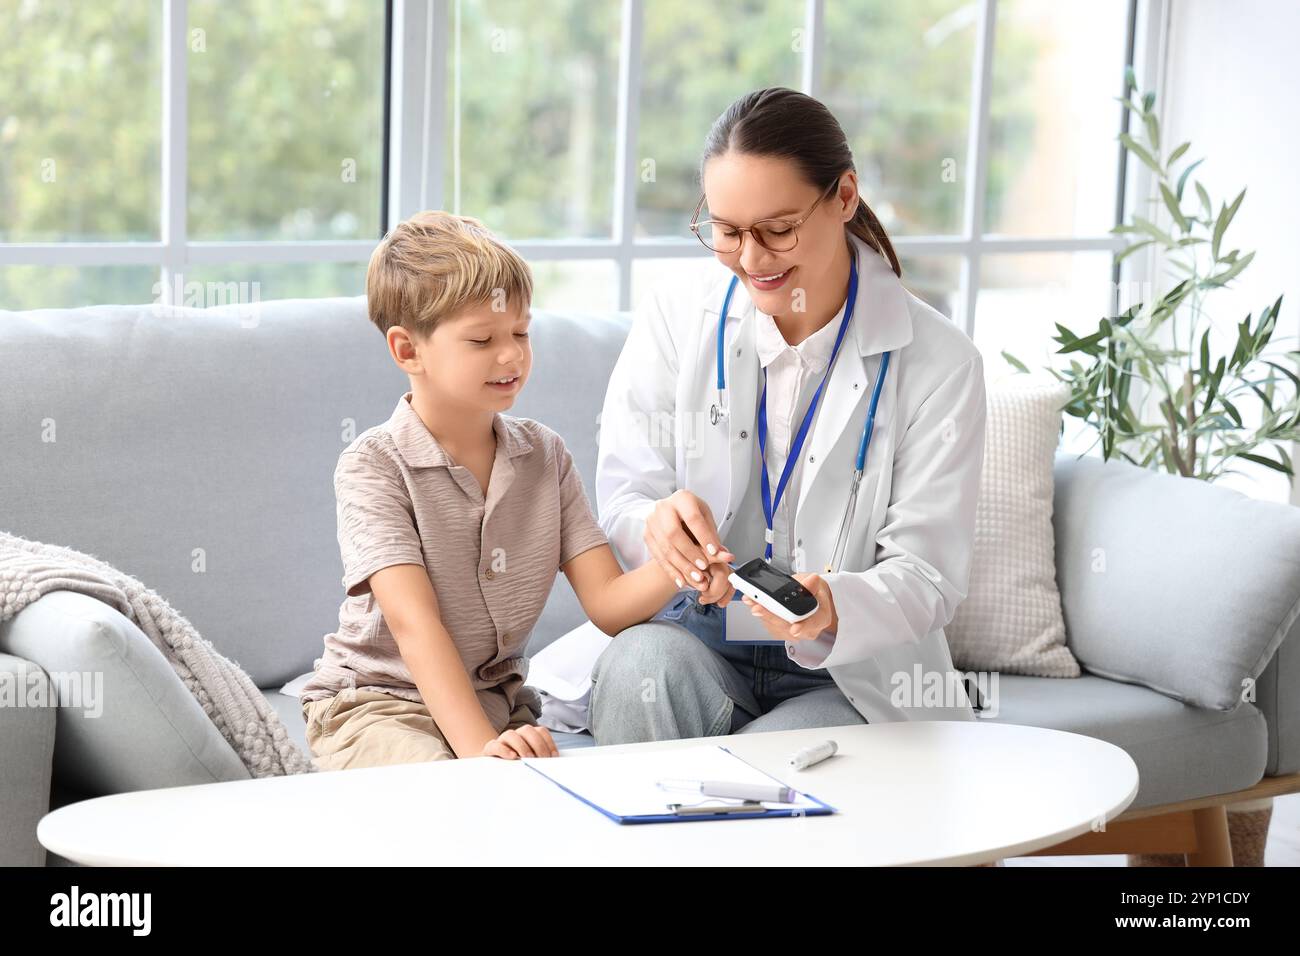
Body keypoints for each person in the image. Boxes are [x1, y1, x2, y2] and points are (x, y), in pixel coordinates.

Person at [590, 87, 987, 743]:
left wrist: (833, 606)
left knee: (786, 762)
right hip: (697, 632)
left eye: (778, 229)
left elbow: (927, 575)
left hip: (850, 667)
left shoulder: (941, 363)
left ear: (845, 197)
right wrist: (661, 529)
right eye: (725, 230)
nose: (750, 259)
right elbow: (626, 496)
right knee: (641, 667)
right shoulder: (675, 314)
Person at [299, 211, 691, 769]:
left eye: (521, 332)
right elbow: (416, 626)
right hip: (377, 706)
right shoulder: (373, 466)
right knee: (451, 797)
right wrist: (481, 753)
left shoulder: (545, 456)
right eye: (482, 339)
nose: (511, 355)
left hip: (498, 709)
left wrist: (684, 562)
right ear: (408, 350)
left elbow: (608, 604)